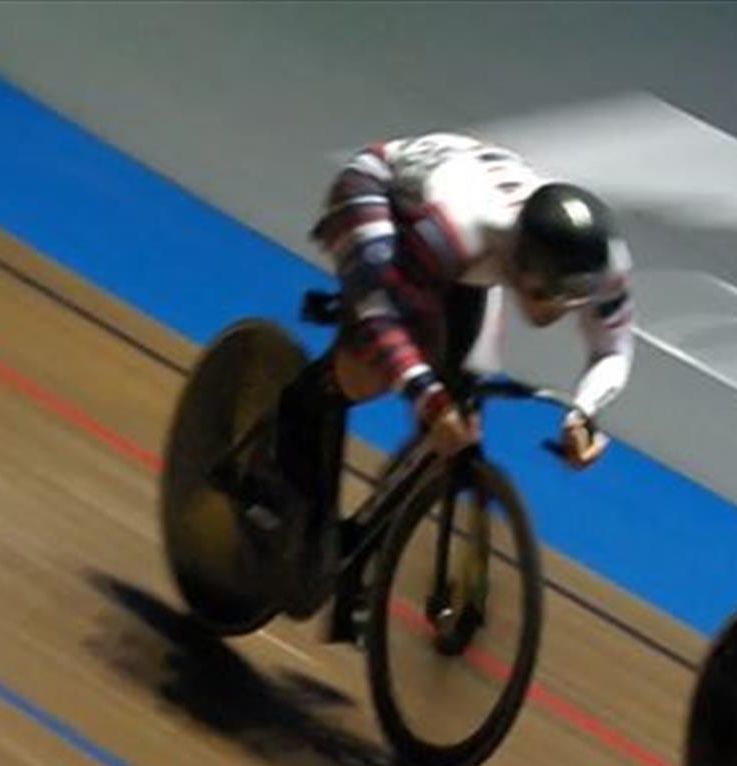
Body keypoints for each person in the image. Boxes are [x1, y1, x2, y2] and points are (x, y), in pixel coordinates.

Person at [254, 131, 635, 622]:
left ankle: (369, 551)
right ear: (521, 265)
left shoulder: (600, 262)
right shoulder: (460, 231)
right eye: (550, 293)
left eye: (572, 297)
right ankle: (301, 413)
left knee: (469, 382)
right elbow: (379, 315)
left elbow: (614, 347)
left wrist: (584, 413)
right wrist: (427, 397)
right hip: (387, 194)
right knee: (371, 368)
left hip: (468, 238)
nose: (560, 308)